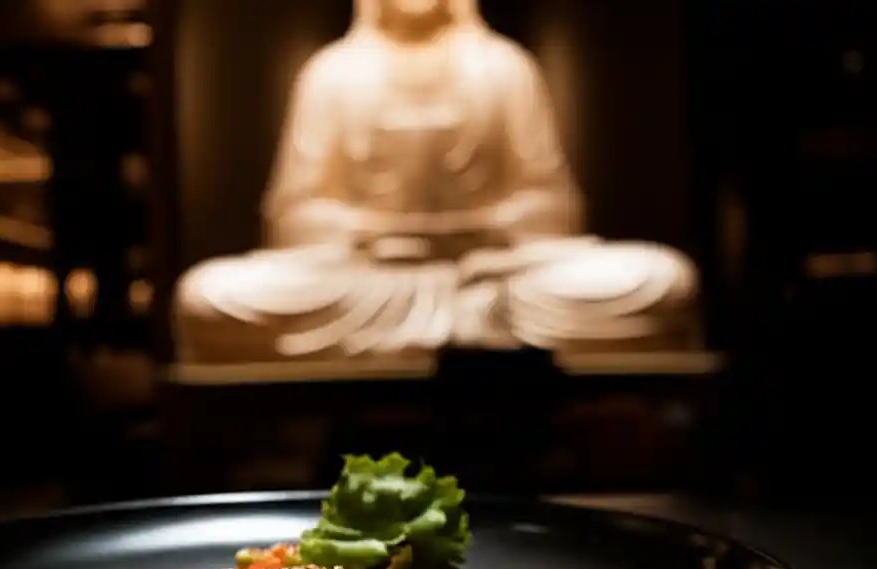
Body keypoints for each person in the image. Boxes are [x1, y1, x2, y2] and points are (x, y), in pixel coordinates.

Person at [175, 0, 698, 363]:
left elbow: (552, 206)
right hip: (373, 285)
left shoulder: (504, 67)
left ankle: (455, 328)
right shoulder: (332, 73)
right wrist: (372, 233)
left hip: (492, 279)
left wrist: (484, 230)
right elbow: (293, 216)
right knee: (208, 295)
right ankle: (460, 331)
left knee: (661, 279)